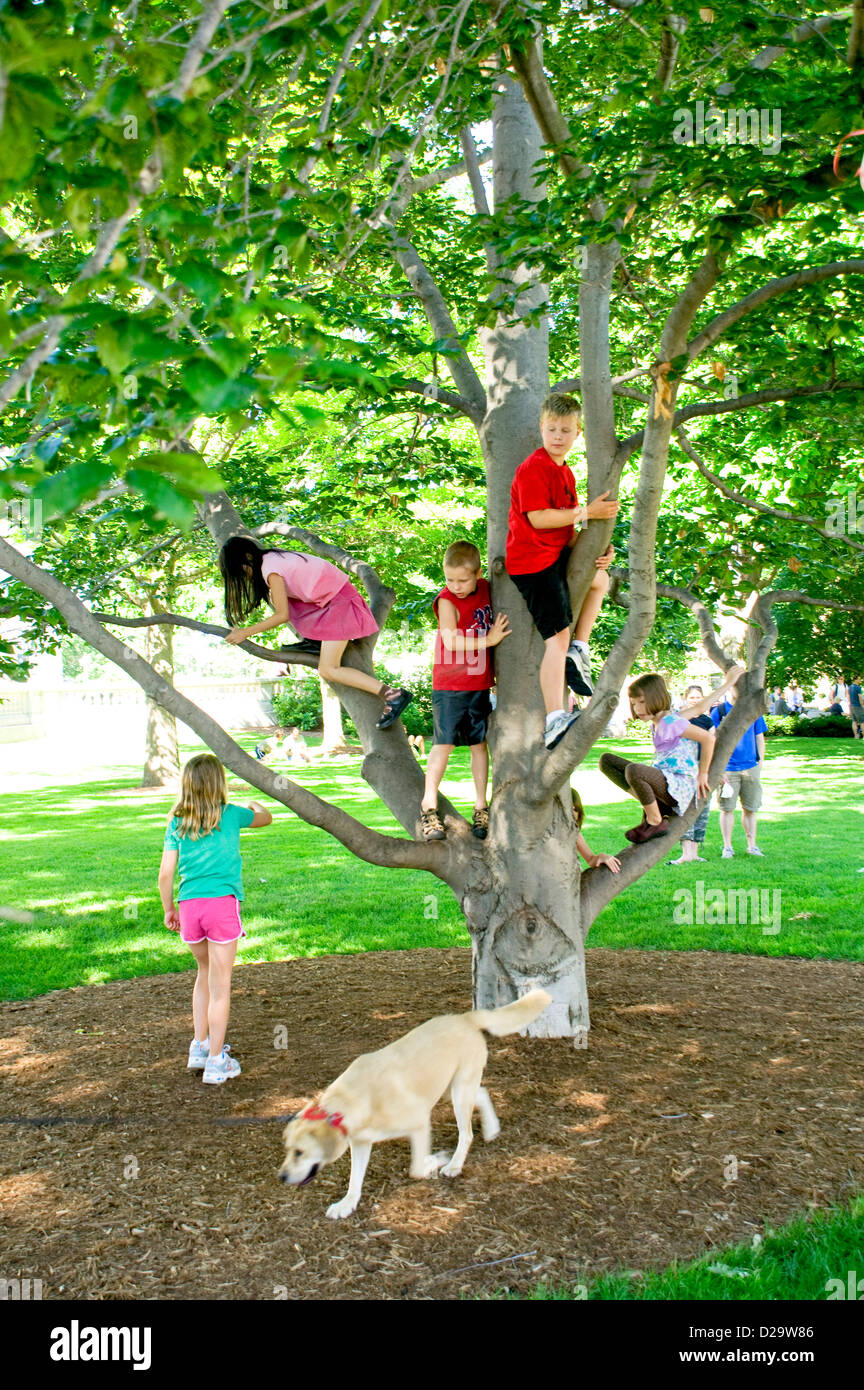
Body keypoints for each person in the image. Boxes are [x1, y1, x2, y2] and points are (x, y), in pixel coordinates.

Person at [505, 392, 619, 750]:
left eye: (566, 430)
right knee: (555, 639)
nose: (558, 435)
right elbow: (539, 520)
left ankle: (579, 650)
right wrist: (588, 513)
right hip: (532, 563)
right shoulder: (534, 467)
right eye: (552, 428)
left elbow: (565, 531)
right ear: (541, 428)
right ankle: (555, 718)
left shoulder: (565, 472)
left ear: (577, 432)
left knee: (601, 578)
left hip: (553, 554)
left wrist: (596, 549)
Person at [158, 754, 273, 1085]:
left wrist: (169, 908)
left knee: (204, 973)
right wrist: (253, 801)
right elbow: (266, 818)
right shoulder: (232, 814)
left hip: (190, 908)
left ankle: (200, 1045)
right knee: (221, 987)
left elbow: (166, 874)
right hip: (221, 907)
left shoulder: (177, 823)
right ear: (219, 783)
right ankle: (215, 1062)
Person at [219, 536, 412, 730]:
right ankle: (315, 641)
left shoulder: (271, 570)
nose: (245, 576)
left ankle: (392, 694)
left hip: (340, 606)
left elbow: (282, 615)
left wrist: (245, 633)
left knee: (328, 669)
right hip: (330, 603)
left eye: (242, 569)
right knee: (281, 600)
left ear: (248, 557)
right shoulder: (273, 557)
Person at [420, 540, 511, 841]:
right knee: (443, 745)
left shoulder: (487, 587)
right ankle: (429, 808)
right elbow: (451, 640)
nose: (456, 586)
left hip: (478, 684)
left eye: (462, 580)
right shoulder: (446, 601)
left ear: (477, 574)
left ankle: (480, 807)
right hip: (450, 684)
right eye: (449, 579)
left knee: (478, 746)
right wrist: (490, 640)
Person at [598, 667, 742, 844]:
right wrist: (728, 683)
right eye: (634, 703)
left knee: (634, 770)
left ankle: (655, 821)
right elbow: (700, 708)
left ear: (656, 698)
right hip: (665, 783)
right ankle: (655, 808)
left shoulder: (669, 722)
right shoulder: (663, 720)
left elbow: (708, 739)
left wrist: (703, 773)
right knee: (607, 761)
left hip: (679, 786)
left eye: (642, 701)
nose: (637, 708)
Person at [711, 686, 768, 857]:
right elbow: (711, 740)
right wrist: (718, 768)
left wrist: (760, 763)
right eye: (736, 686)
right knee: (727, 808)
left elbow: (759, 737)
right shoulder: (719, 711)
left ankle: (752, 846)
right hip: (727, 769)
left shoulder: (753, 710)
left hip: (750, 767)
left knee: (750, 809)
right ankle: (727, 847)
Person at [666, 683, 715, 865]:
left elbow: (712, 744)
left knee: (701, 809)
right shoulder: (678, 719)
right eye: (692, 697)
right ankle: (685, 853)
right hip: (684, 772)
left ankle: (694, 852)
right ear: (686, 699)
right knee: (684, 808)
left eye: (698, 697)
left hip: (703, 770)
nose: (695, 700)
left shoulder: (707, 722)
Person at [571, 788, 621, 873]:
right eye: (567, 809)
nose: (571, 813)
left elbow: (591, 859)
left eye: (575, 809)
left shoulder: (574, 834)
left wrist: (601, 856)